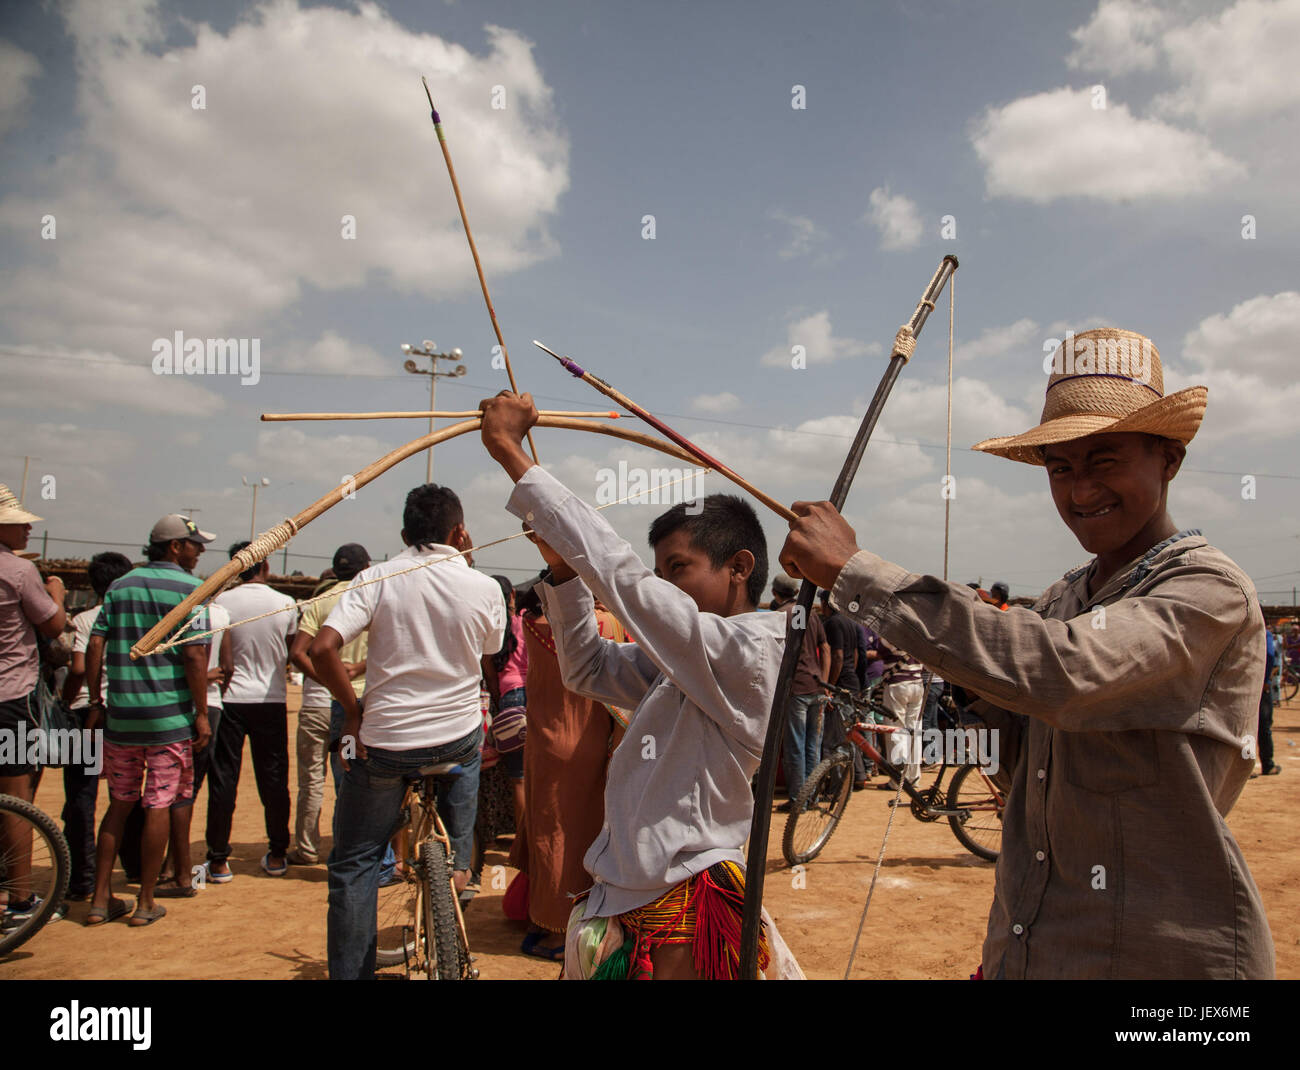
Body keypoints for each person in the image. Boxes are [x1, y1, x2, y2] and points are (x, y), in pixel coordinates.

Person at [779, 327, 1274, 979]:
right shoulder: (1067, 596)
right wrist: (978, 692)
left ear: (1169, 458)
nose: (1078, 490)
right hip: (1034, 950)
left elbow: (1068, 671)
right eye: (1060, 467)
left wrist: (856, 573)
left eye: (1103, 460)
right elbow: (1027, 767)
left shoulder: (1207, 591)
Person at [479, 392, 788, 980]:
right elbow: (588, 669)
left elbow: (622, 579)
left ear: (739, 568)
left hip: (685, 912)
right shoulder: (693, 665)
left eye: (679, 569)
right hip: (631, 902)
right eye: (661, 572)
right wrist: (566, 573)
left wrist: (512, 455)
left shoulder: (746, 654)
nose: (665, 587)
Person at [312, 484, 504, 980]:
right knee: (466, 765)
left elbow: (322, 650)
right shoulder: (484, 587)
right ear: (460, 532)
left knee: (354, 862)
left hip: (386, 742)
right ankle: (460, 864)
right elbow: (489, 651)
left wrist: (353, 713)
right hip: (456, 737)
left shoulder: (376, 577)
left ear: (403, 534)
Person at [85, 514, 214, 927]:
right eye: (194, 543)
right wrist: (201, 714)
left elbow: (96, 643)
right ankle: (144, 901)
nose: (200, 550)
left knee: (119, 805)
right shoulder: (193, 590)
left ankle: (100, 900)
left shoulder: (120, 586)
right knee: (159, 804)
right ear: (175, 547)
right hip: (167, 718)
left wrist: (96, 698)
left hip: (123, 715)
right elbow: (195, 657)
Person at [510, 560, 628, 961]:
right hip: (588, 742)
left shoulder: (533, 621)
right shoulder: (606, 624)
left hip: (542, 739)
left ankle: (540, 915)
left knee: (547, 828)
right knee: (578, 831)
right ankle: (566, 927)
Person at [205, 543, 298, 880]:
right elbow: (290, 652)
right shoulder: (285, 603)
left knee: (223, 779)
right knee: (274, 780)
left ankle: (217, 857)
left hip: (228, 699)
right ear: (267, 566)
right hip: (270, 699)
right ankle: (277, 852)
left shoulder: (220, 602)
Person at [0, 485, 67, 929]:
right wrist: (57, 591)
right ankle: (22, 899)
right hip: (10, 695)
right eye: (20, 520)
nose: (27, 527)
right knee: (15, 799)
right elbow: (53, 624)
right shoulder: (18, 572)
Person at [287, 543, 370, 865]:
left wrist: (327, 680)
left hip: (324, 708)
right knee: (351, 779)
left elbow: (298, 653)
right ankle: (347, 850)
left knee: (316, 780)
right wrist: (354, 673)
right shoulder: (369, 597)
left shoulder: (320, 601)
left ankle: (308, 849)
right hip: (358, 707)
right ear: (365, 568)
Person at [60, 551, 133, 901]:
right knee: (127, 793)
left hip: (88, 715)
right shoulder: (132, 619)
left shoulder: (86, 618)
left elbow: (77, 668)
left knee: (81, 796)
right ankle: (132, 864)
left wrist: (68, 700)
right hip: (123, 713)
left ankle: (82, 878)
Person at [770, 573, 829, 808]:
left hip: (796, 688)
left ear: (775, 593)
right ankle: (811, 795)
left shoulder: (779, 616)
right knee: (813, 745)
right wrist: (825, 682)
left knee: (795, 746)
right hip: (817, 686)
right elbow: (825, 648)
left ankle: (798, 799)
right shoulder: (811, 614)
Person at [1251, 620, 1280, 778]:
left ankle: (1244, 768)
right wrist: (1265, 680)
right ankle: (1268, 764)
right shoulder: (1265, 633)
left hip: (1243, 686)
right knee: (1264, 725)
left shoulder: (1241, 631)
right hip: (1260, 686)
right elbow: (1269, 655)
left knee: (1244, 727)